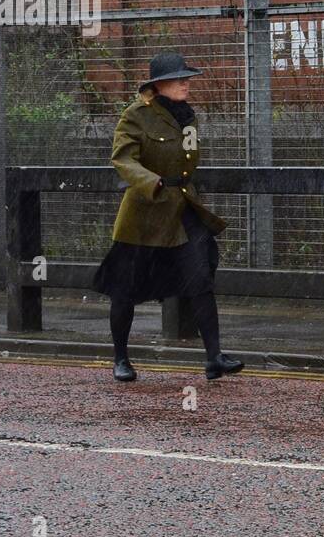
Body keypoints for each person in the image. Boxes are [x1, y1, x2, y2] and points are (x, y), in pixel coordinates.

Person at [92, 51, 242, 382]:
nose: (186, 83)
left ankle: (214, 357)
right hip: (145, 212)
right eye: (179, 79)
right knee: (125, 288)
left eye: (187, 78)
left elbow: (188, 159)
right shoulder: (135, 116)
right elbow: (123, 159)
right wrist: (152, 181)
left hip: (183, 206)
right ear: (159, 85)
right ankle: (120, 358)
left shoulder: (187, 116)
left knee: (201, 278)